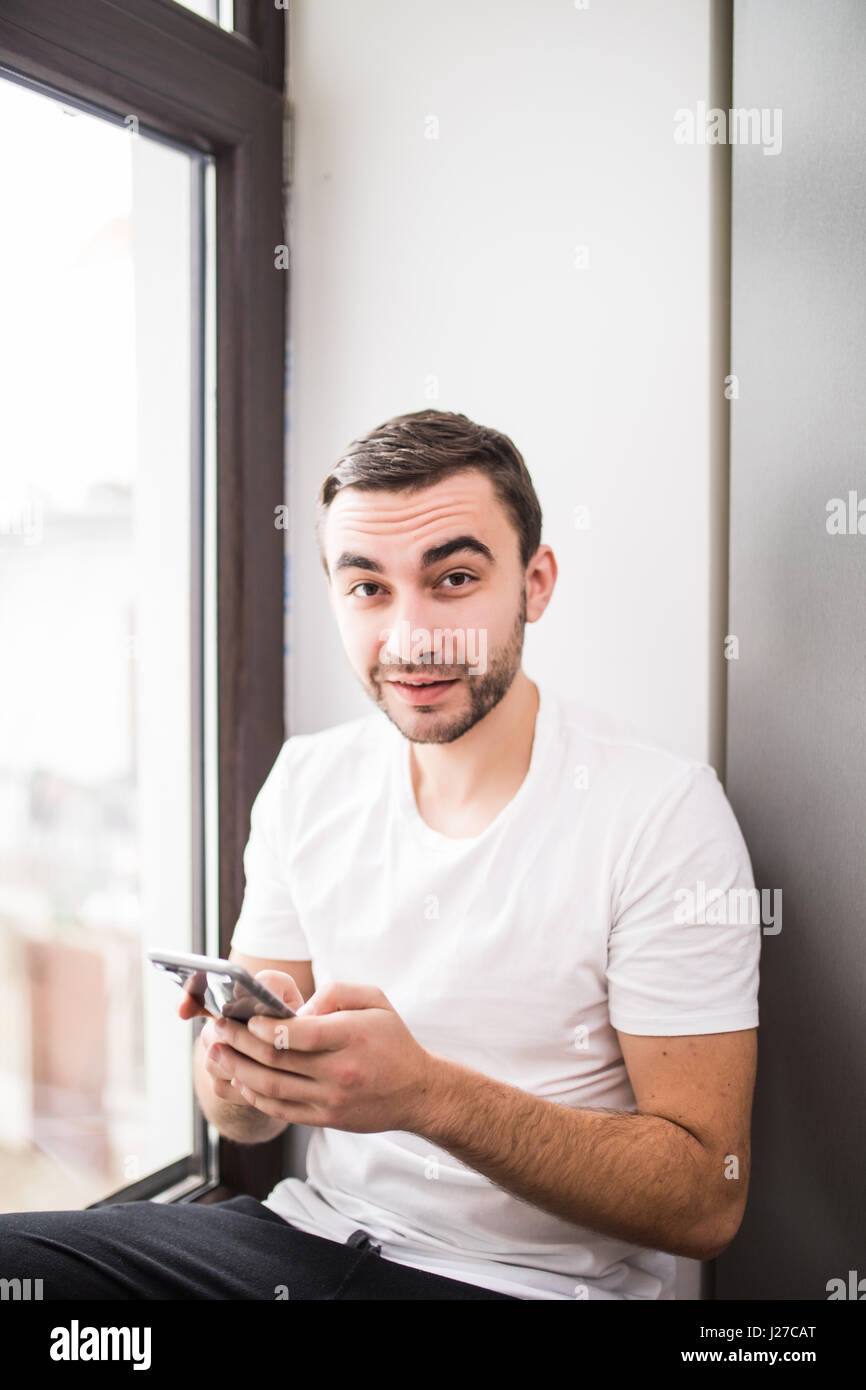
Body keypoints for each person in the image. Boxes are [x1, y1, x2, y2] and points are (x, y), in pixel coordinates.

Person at [0, 409, 759, 1300]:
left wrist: (427, 1097)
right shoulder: (307, 782)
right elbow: (234, 1119)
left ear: (536, 583)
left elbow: (708, 1201)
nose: (410, 639)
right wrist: (236, 1068)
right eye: (369, 589)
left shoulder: (661, 814)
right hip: (301, 1242)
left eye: (455, 578)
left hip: (522, 1288)